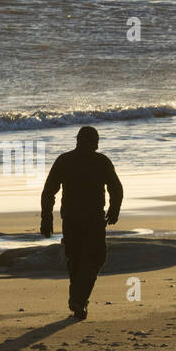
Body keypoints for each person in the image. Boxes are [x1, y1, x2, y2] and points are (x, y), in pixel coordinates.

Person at [40, 126, 123, 320]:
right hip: (92, 219)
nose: (96, 144)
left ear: (77, 140)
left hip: (71, 219)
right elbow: (116, 189)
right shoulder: (100, 161)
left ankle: (77, 299)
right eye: (95, 140)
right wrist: (114, 210)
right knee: (96, 258)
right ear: (92, 142)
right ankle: (79, 299)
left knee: (76, 260)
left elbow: (48, 192)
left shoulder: (65, 160)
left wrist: (47, 218)